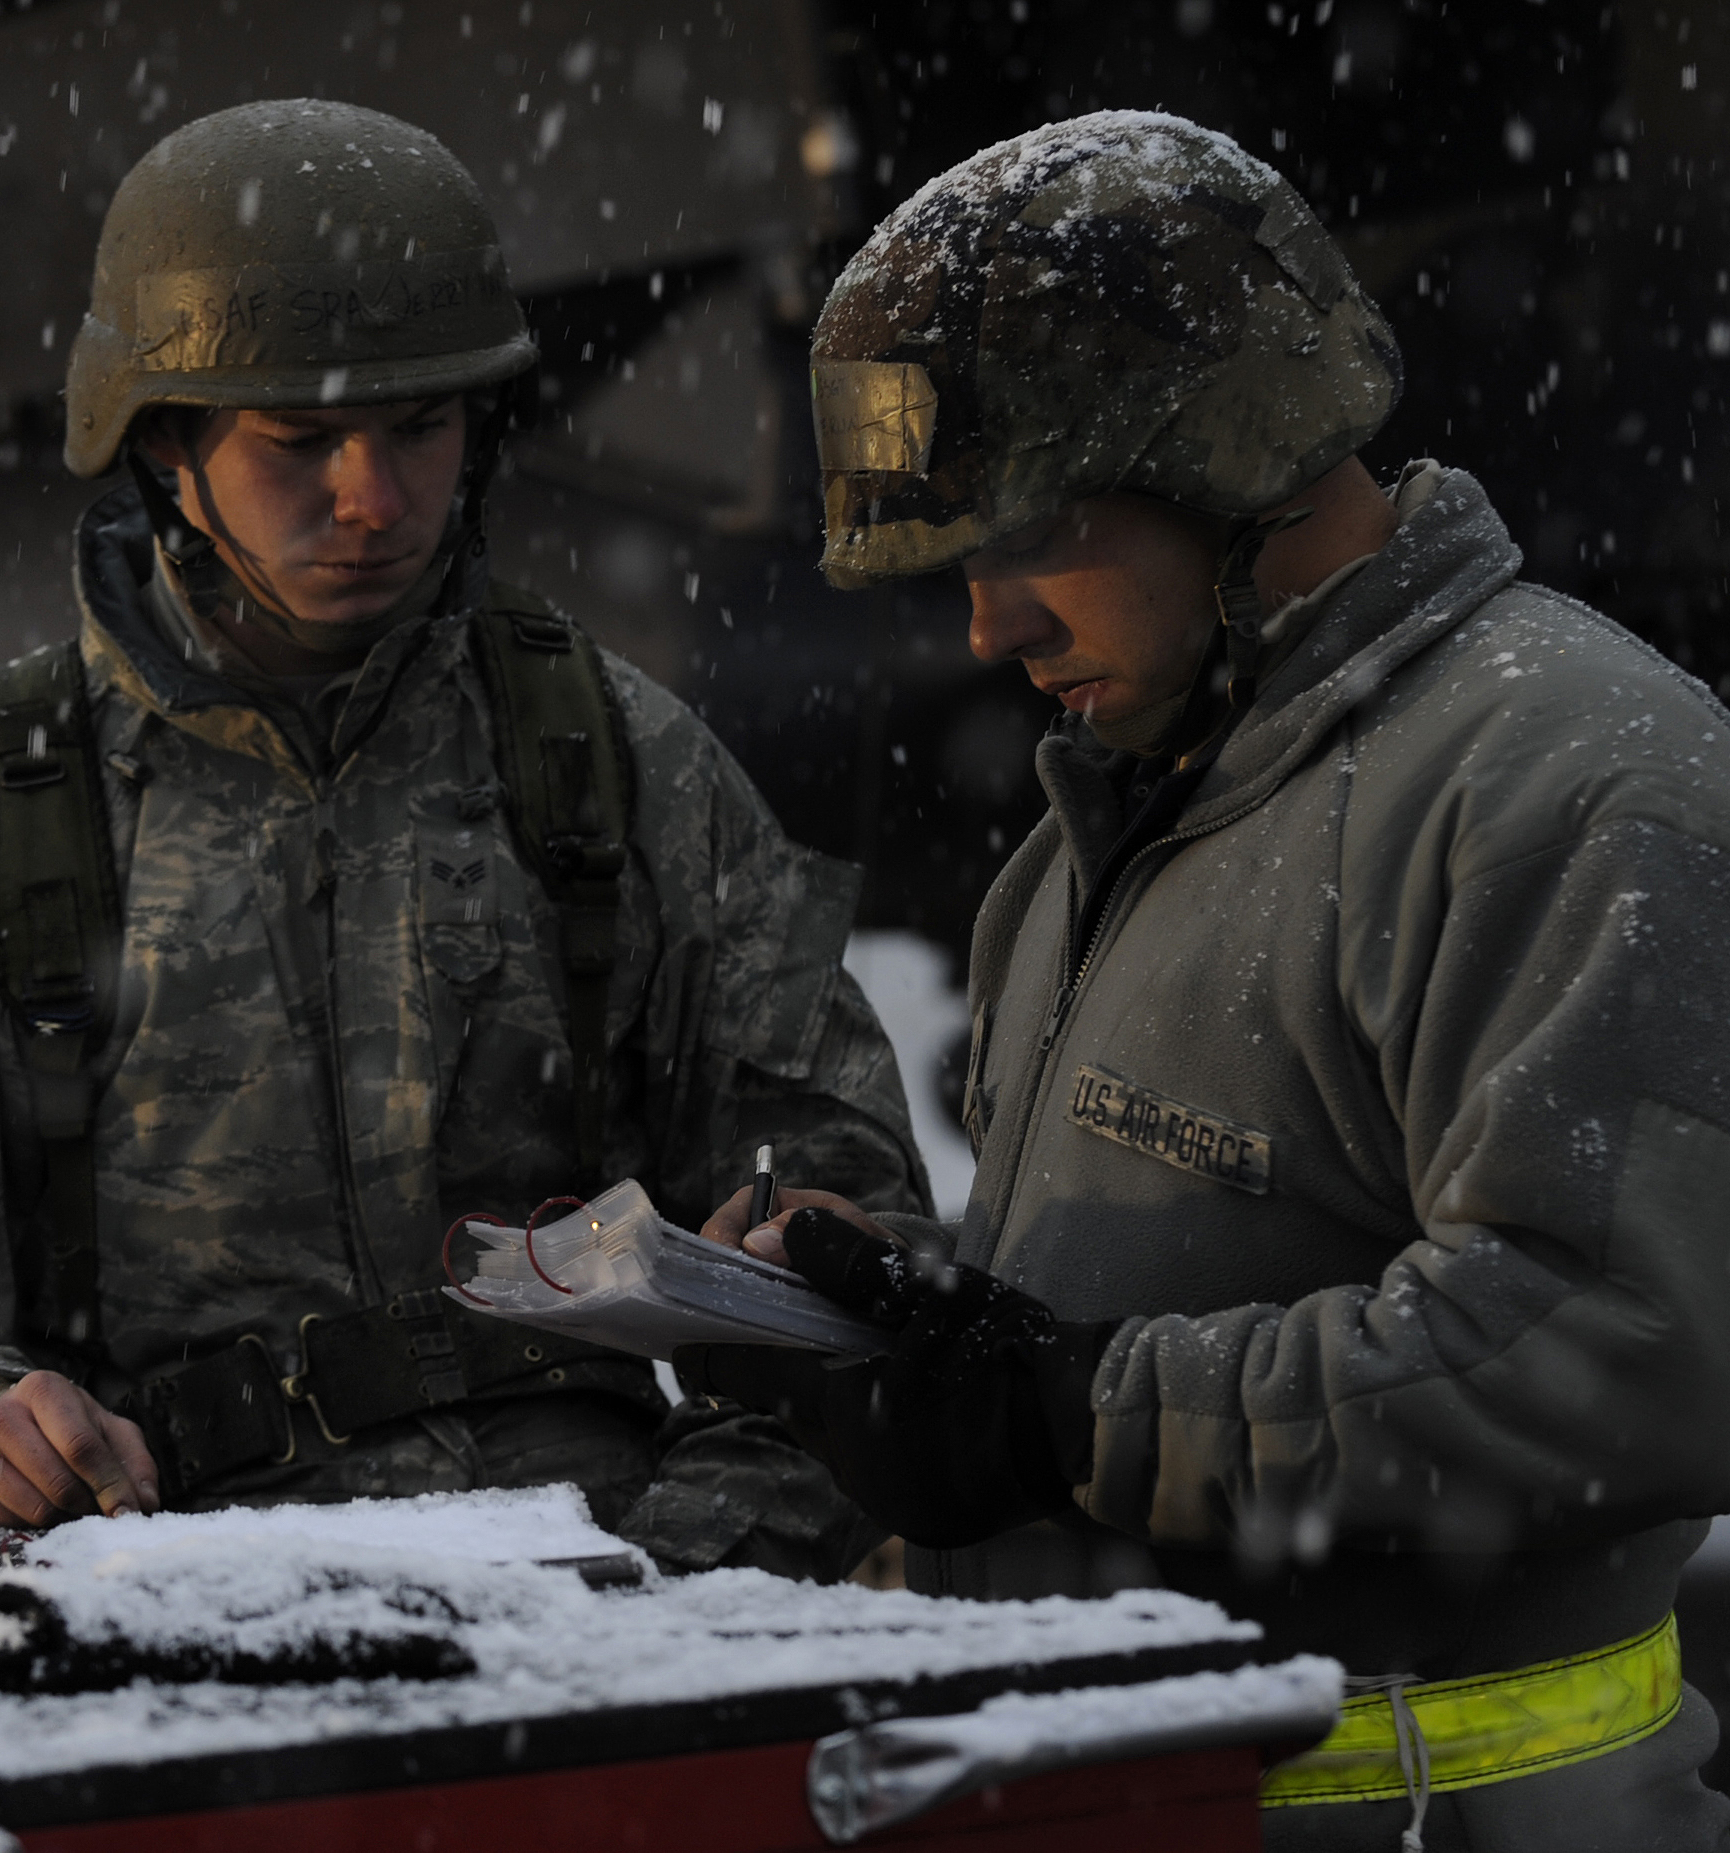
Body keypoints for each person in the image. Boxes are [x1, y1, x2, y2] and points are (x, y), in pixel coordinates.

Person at [687, 112, 1730, 1845]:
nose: (987, 628)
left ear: (1234, 456)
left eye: (1027, 533)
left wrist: (1065, 1410)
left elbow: (1628, 1348)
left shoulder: (1571, 784)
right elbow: (1167, 1291)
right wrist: (913, 1322)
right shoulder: (1109, 818)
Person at [0, 99, 927, 1585]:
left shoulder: (617, 762)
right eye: (300, 441)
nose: (372, 499)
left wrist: (690, 1557)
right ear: (165, 442)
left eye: (422, 428)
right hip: (179, 1601)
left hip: (605, 1588)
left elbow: (852, 1232)